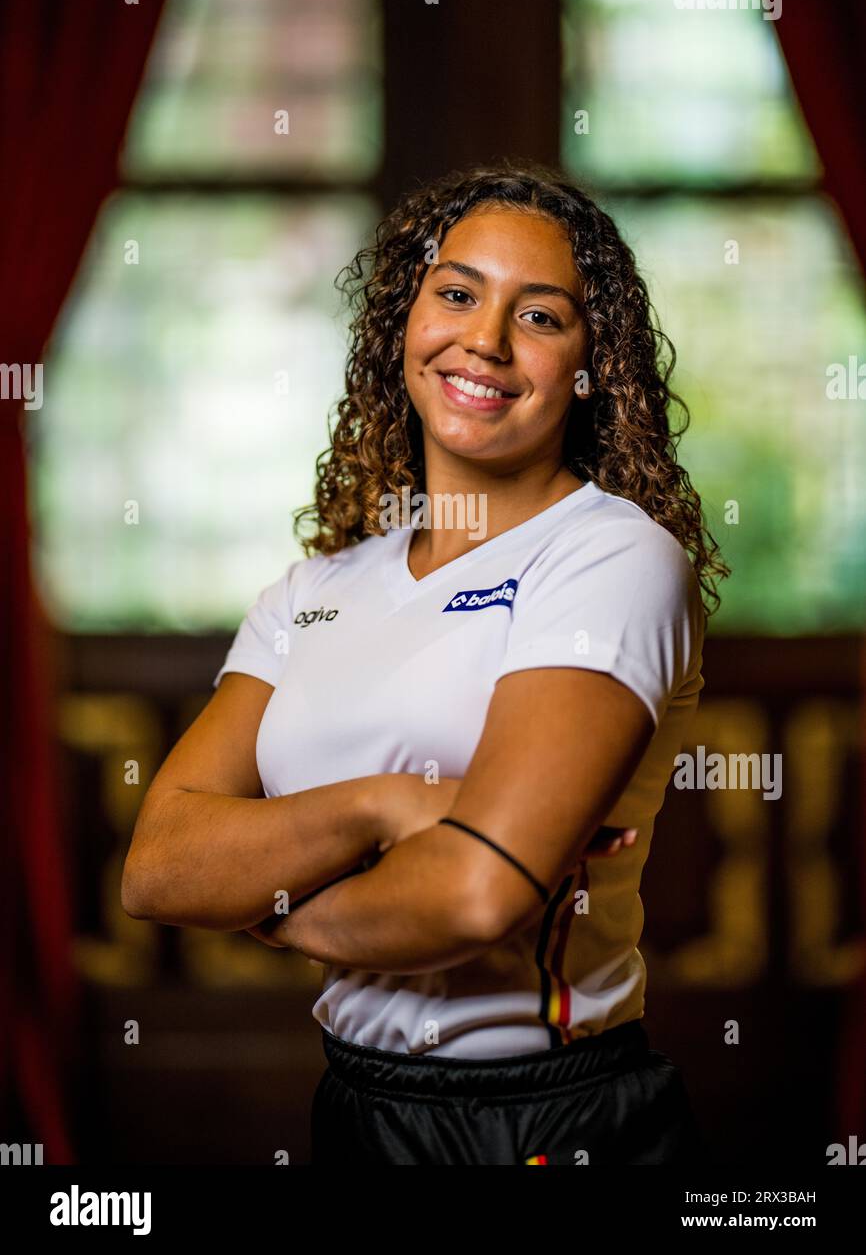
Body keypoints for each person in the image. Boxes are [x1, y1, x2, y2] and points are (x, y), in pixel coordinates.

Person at [122, 160, 729, 1165]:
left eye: (540, 316)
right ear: (402, 323)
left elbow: (477, 895)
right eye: (455, 294)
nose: (484, 339)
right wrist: (385, 805)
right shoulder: (313, 590)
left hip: (541, 1117)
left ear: (590, 366)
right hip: (356, 1105)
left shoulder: (611, 557)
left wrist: (272, 910)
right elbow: (158, 867)